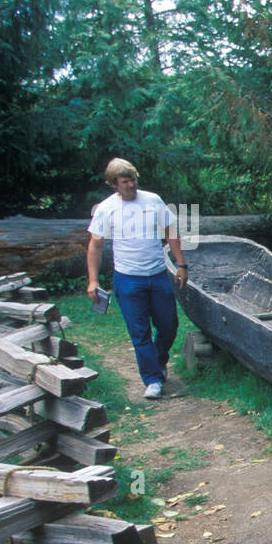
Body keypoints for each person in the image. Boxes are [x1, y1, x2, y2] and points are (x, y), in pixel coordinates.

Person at [85, 158, 187, 399]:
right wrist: (93, 280)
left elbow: (170, 233)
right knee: (139, 333)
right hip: (128, 280)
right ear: (114, 184)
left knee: (169, 326)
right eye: (125, 181)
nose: (131, 184)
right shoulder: (106, 208)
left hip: (158, 275)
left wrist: (181, 264)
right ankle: (152, 380)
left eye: (133, 179)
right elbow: (95, 246)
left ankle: (159, 361)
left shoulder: (152, 200)